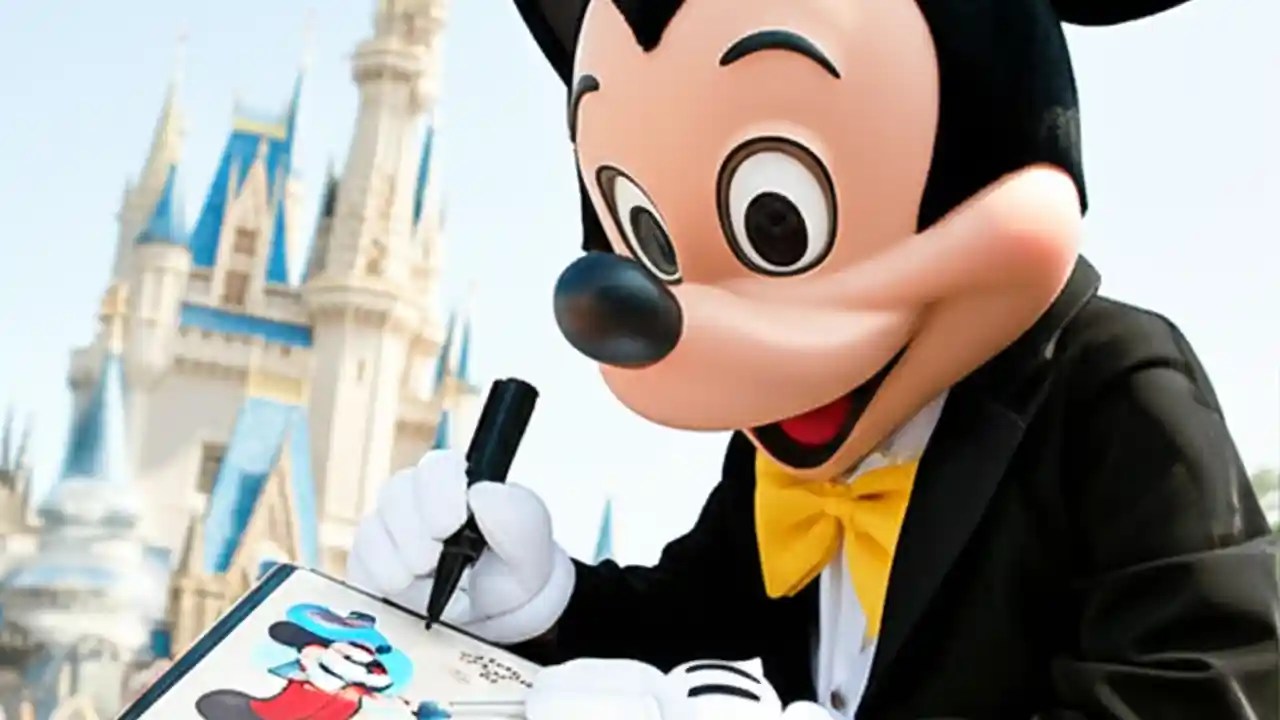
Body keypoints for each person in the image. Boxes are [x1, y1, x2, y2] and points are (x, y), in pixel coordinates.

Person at [347, 0, 1280, 717]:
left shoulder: (1110, 382)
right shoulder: (787, 421)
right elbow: (692, 618)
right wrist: (541, 597)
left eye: (777, 224)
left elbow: (1208, 691)